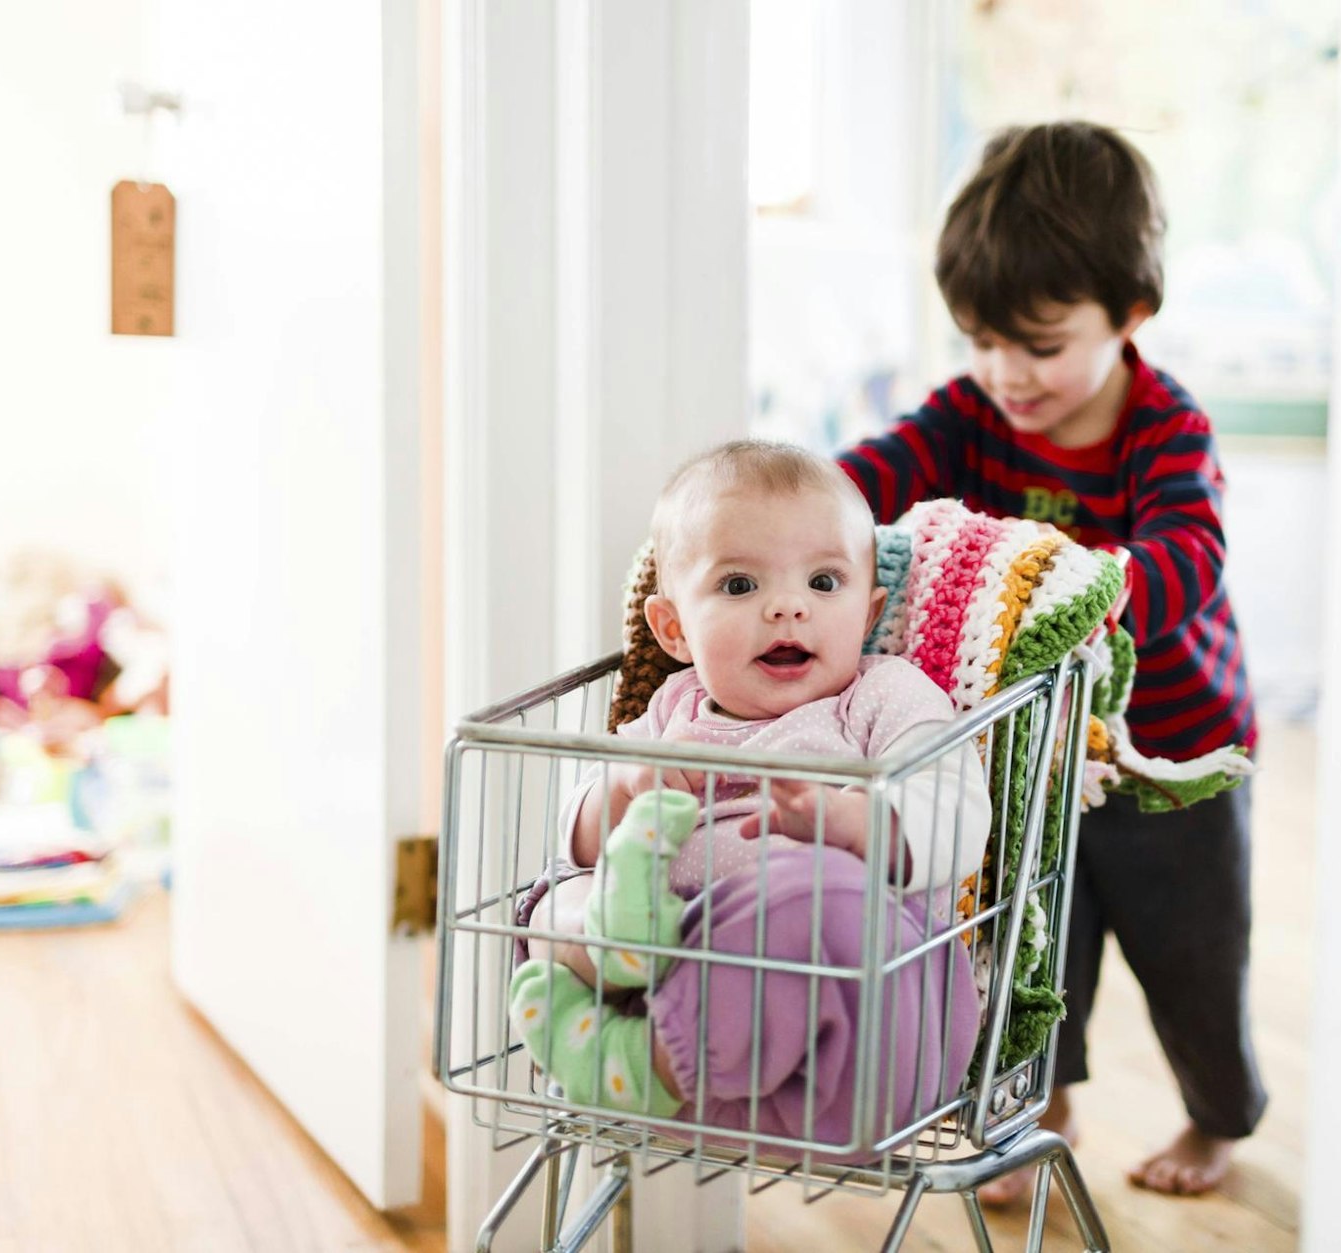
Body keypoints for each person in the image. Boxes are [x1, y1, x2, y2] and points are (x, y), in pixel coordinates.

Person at [837, 120, 1265, 1198]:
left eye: (1038, 346)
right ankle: (1041, 1102)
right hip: (1038, 758)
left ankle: (1215, 1117)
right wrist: (801, 510)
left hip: (1172, 761)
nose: (1004, 374)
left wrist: (1081, 593)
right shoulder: (968, 415)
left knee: (1192, 963)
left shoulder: (1166, 429)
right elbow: (876, 469)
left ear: (1129, 316)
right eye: (979, 340)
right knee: (1034, 949)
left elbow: (1188, 559)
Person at [508, 440, 990, 1156]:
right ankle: (626, 988)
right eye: (740, 587)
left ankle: (646, 1061)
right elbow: (576, 832)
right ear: (673, 628)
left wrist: (861, 824)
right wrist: (623, 787)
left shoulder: (883, 697)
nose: (788, 607)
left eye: (825, 582)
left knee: (807, 897)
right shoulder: (672, 711)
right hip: (685, 1017)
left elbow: (957, 812)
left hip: (856, 1044)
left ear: (868, 612)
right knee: (553, 900)